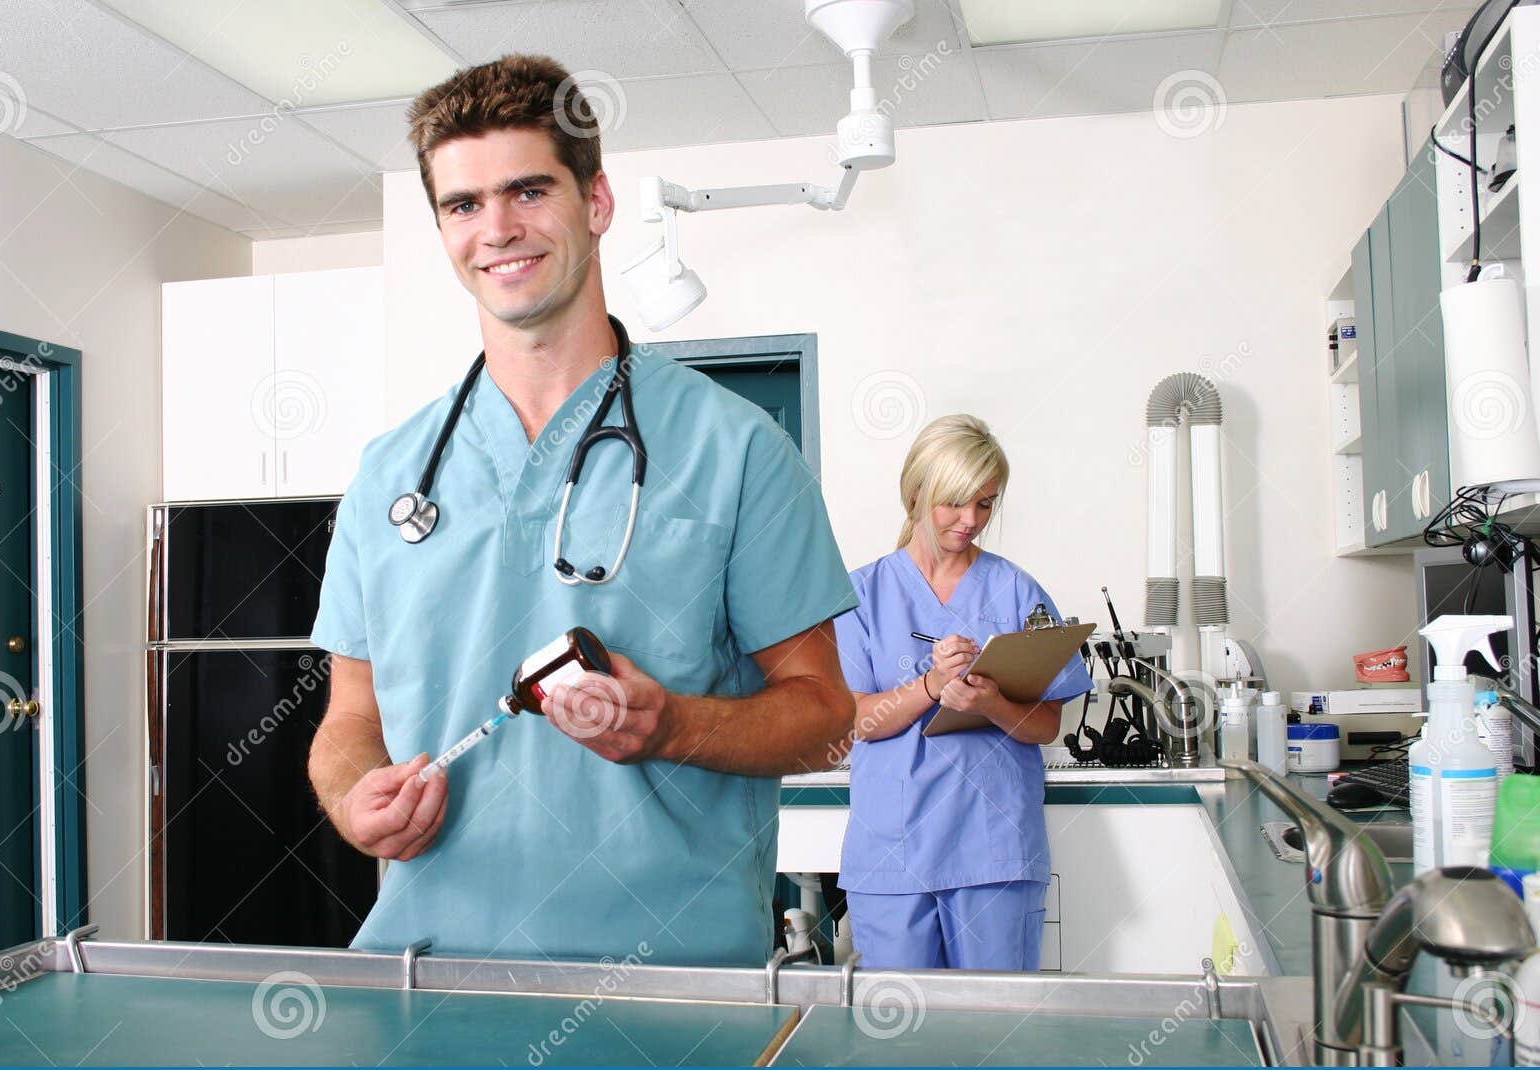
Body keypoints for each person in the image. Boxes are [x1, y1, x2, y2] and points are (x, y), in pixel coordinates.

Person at [306, 55, 856, 967]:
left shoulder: (739, 449)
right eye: (463, 204)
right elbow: (347, 719)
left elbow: (825, 713)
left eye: (528, 190)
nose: (498, 229)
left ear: (596, 201)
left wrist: (673, 724)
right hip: (427, 971)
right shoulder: (389, 474)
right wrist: (352, 792)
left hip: (670, 989)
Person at [832, 415, 1093, 970]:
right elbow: (856, 722)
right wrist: (930, 685)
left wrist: (991, 703)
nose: (970, 521)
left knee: (995, 1033)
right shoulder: (861, 593)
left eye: (986, 504)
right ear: (917, 492)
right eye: (955, 502)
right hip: (892, 853)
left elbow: (1046, 726)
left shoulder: (1015, 589)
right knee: (898, 1041)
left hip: (992, 849)